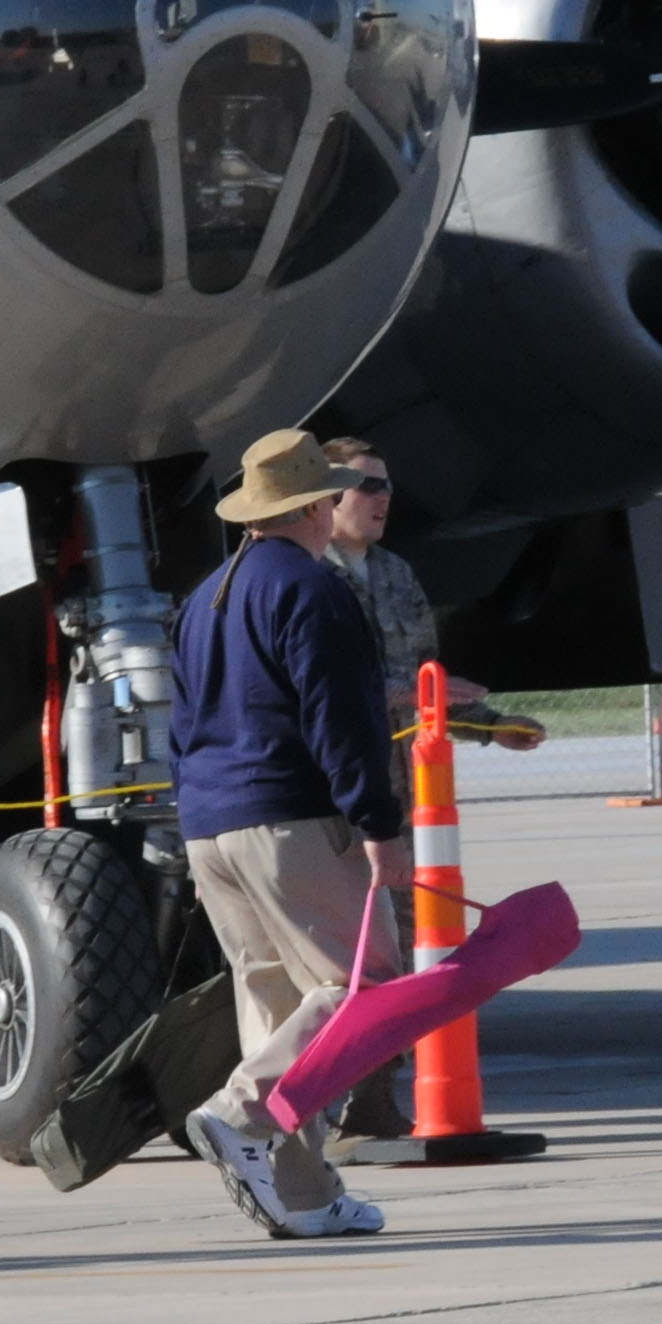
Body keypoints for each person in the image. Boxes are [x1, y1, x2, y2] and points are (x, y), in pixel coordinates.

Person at [172, 428, 408, 1243]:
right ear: (314, 506)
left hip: (209, 822)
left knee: (273, 1006)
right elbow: (342, 722)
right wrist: (379, 824)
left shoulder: (206, 596)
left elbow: (183, 720)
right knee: (365, 986)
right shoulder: (314, 589)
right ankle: (238, 1114)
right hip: (289, 817)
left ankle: (302, 1191)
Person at [317, 437, 541, 751]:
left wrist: (491, 726)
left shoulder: (397, 575)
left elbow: (428, 685)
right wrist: (409, 692)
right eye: (367, 486)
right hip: (328, 780)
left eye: (387, 486)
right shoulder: (304, 575)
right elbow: (317, 687)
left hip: (401, 784)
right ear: (328, 494)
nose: (383, 496)